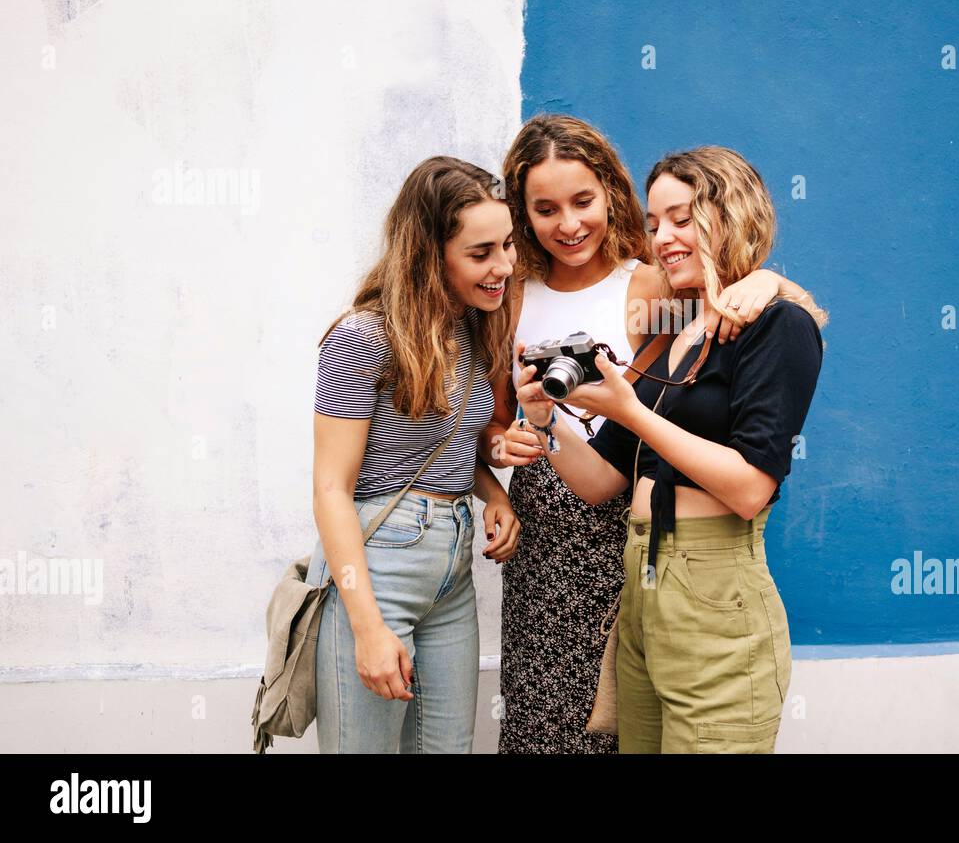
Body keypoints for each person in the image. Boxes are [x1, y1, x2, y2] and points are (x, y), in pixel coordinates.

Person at [484, 114, 821, 753]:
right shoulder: (678, 337)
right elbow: (600, 480)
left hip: (711, 580)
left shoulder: (774, 326)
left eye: (681, 218)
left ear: (732, 213)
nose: (661, 237)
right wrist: (546, 418)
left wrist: (631, 411)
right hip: (641, 580)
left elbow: (751, 488)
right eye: (656, 219)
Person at [307, 155, 521, 753]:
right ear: (430, 253)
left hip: (452, 570)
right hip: (379, 568)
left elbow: (442, 448)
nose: (503, 265)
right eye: (481, 253)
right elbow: (331, 489)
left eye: (506, 245)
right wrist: (367, 626)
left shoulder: (474, 331)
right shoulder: (363, 336)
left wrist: (494, 492)